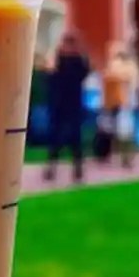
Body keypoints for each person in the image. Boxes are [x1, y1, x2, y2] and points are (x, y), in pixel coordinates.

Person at [42, 32, 91, 183]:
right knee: (74, 138)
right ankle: (77, 170)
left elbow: (48, 75)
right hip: (73, 104)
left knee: (56, 137)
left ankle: (52, 169)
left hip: (60, 104)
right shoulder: (80, 61)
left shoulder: (59, 60)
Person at [101, 42, 139, 169]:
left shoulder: (123, 65)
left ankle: (122, 157)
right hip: (120, 101)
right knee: (120, 130)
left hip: (122, 101)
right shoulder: (130, 66)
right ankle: (121, 156)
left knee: (122, 130)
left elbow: (115, 78)